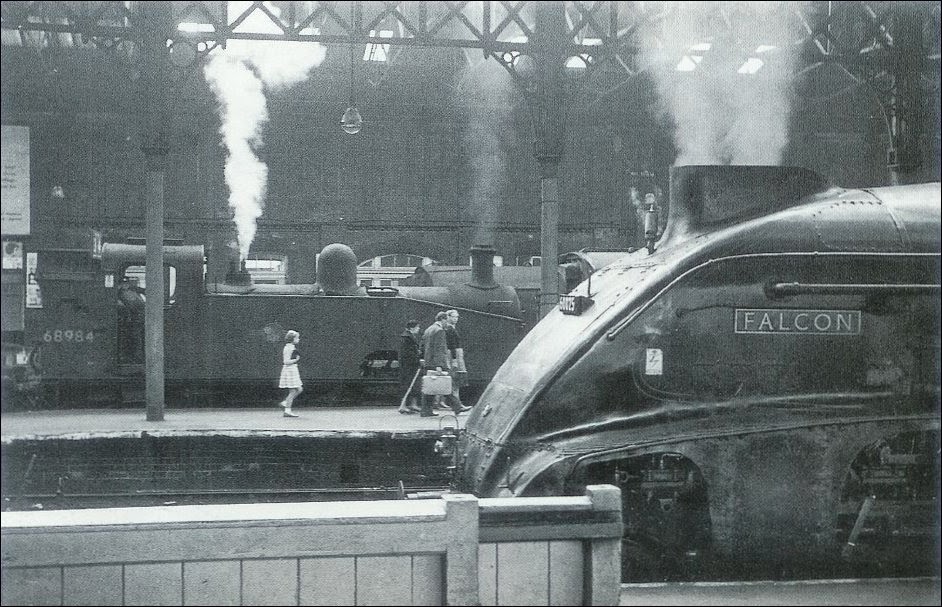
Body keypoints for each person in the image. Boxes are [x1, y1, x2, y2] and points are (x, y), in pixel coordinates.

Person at [420, 311, 471, 417]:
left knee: (431, 385)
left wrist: (422, 358)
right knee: (445, 385)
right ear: (442, 319)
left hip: (429, 361)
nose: (447, 324)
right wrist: (439, 365)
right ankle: (457, 407)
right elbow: (439, 349)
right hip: (437, 363)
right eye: (446, 321)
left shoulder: (429, 329)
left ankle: (426, 410)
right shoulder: (439, 331)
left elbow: (422, 345)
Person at [442, 309, 468, 410]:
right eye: (453, 316)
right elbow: (452, 346)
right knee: (455, 379)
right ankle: (457, 404)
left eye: (457, 317)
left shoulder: (450, 328)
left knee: (454, 379)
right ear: (448, 317)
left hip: (455, 355)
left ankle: (448, 402)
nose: (455, 319)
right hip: (454, 356)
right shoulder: (449, 329)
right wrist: (454, 359)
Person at [397, 320, 423, 414]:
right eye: (417, 327)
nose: (419, 329)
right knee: (409, 385)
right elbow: (408, 353)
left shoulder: (408, 337)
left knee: (413, 385)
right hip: (409, 366)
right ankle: (404, 405)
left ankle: (412, 404)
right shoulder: (407, 338)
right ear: (412, 328)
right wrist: (417, 358)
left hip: (409, 365)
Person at [278, 330, 303, 417]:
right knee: (293, 391)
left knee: (299, 389)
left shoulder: (291, 347)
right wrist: (295, 360)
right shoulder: (289, 348)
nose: (298, 339)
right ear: (292, 339)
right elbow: (286, 361)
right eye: (297, 338)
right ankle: (287, 410)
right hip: (290, 370)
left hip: (293, 369)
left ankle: (285, 403)